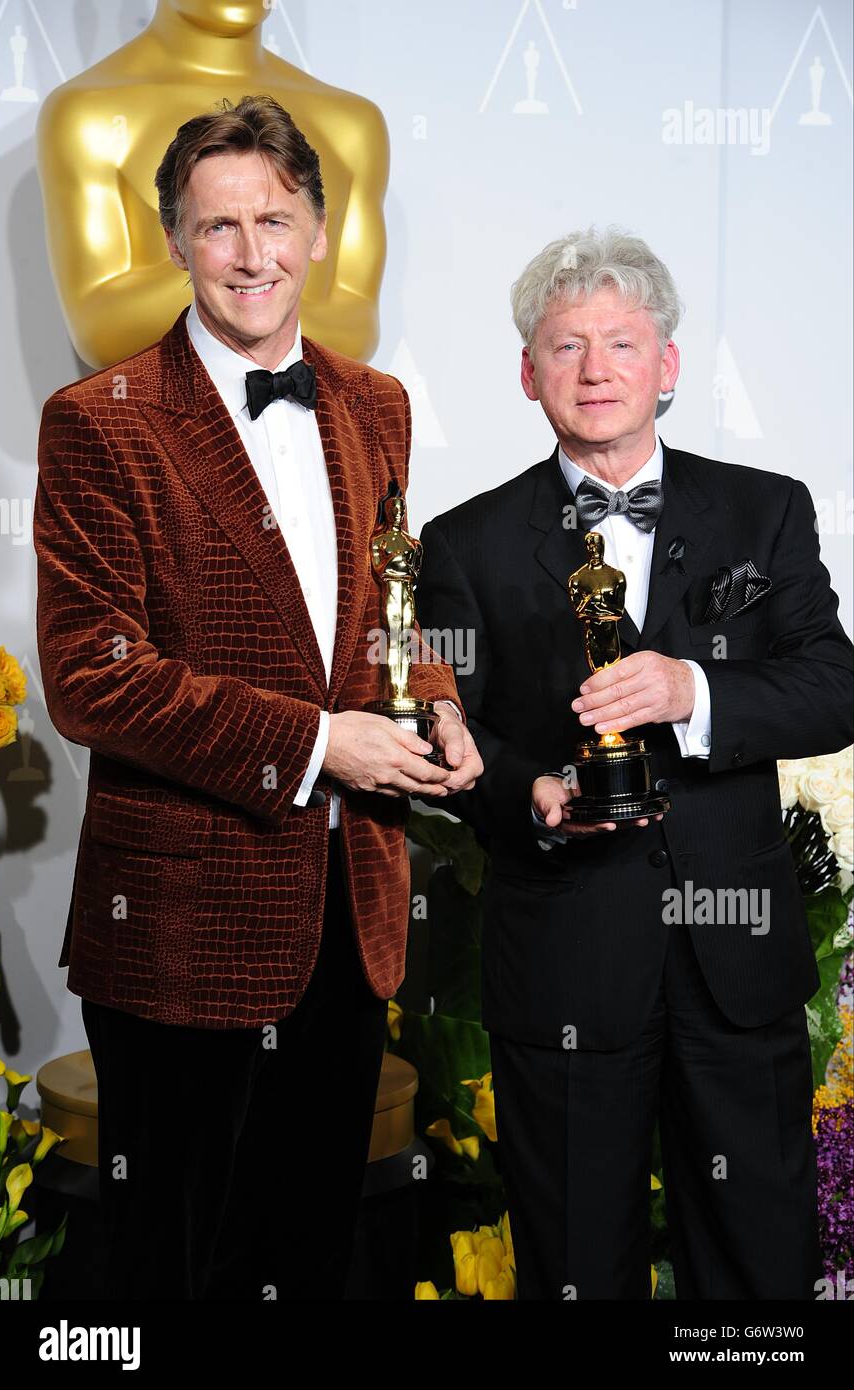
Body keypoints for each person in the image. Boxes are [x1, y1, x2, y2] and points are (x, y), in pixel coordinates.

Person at [33, 95, 482, 1301]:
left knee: (309, 1261)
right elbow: (92, 675)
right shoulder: (99, 421)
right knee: (170, 1272)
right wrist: (320, 744)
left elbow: (387, 606)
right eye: (217, 225)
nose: (250, 254)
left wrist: (434, 698)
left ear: (319, 233)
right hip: (182, 927)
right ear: (174, 241)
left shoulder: (375, 403)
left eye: (274, 220)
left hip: (348, 912)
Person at [414, 227, 853, 1300]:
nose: (595, 369)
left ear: (667, 365)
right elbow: (447, 728)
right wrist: (528, 791)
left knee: (757, 1271)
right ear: (527, 373)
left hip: (735, 967)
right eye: (565, 345)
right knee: (575, 1267)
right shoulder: (462, 541)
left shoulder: (765, 508)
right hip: (563, 959)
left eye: (621, 342)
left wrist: (691, 691)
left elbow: (834, 687)